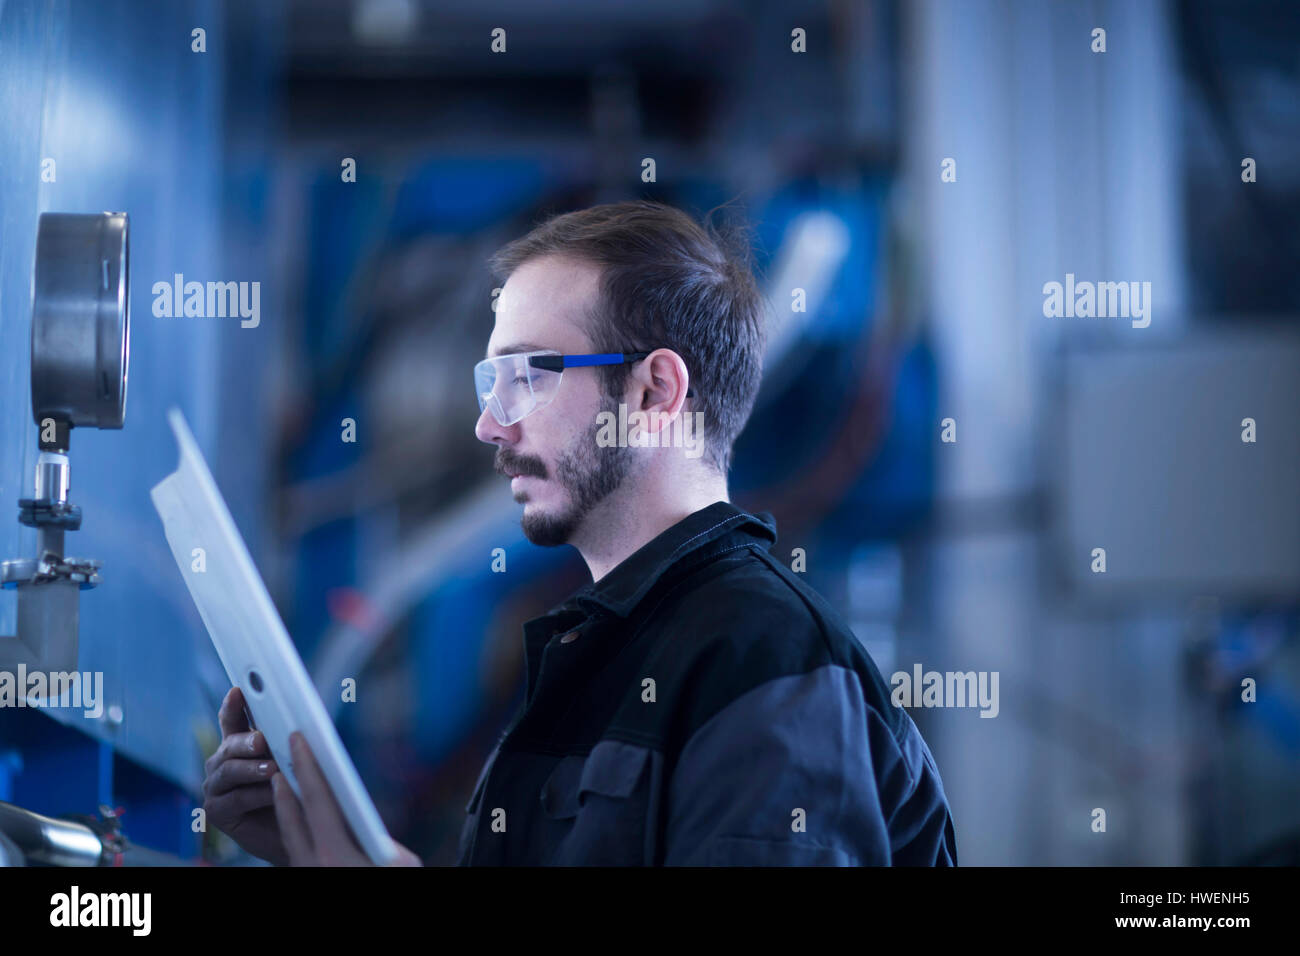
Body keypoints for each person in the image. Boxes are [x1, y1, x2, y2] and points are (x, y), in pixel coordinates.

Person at [203, 200, 958, 866]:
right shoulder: (598, 657)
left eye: (528, 375)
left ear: (654, 390)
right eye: (490, 383)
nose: (489, 422)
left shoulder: (764, 656)